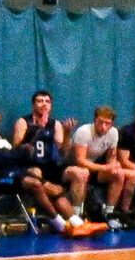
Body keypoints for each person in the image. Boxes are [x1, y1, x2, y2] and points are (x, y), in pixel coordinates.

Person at [13, 92, 93, 232]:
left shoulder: (55, 124)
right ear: (33, 105)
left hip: (50, 166)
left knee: (80, 173)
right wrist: (38, 129)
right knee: (36, 172)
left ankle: (76, 216)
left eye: (47, 101)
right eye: (40, 101)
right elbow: (17, 147)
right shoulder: (23, 122)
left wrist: (67, 133)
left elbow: (63, 153)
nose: (44, 104)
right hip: (29, 165)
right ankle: (69, 220)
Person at [71, 106, 135, 226]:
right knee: (83, 172)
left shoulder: (113, 133)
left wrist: (113, 165)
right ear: (95, 120)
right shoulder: (84, 131)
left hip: (95, 168)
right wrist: (105, 168)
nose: (103, 126)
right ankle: (77, 216)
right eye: (100, 122)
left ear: (112, 123)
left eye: (107, 123)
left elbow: (111, 157)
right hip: (73, 167)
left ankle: (110, 213)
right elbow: (80, 161)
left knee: (124, 174)